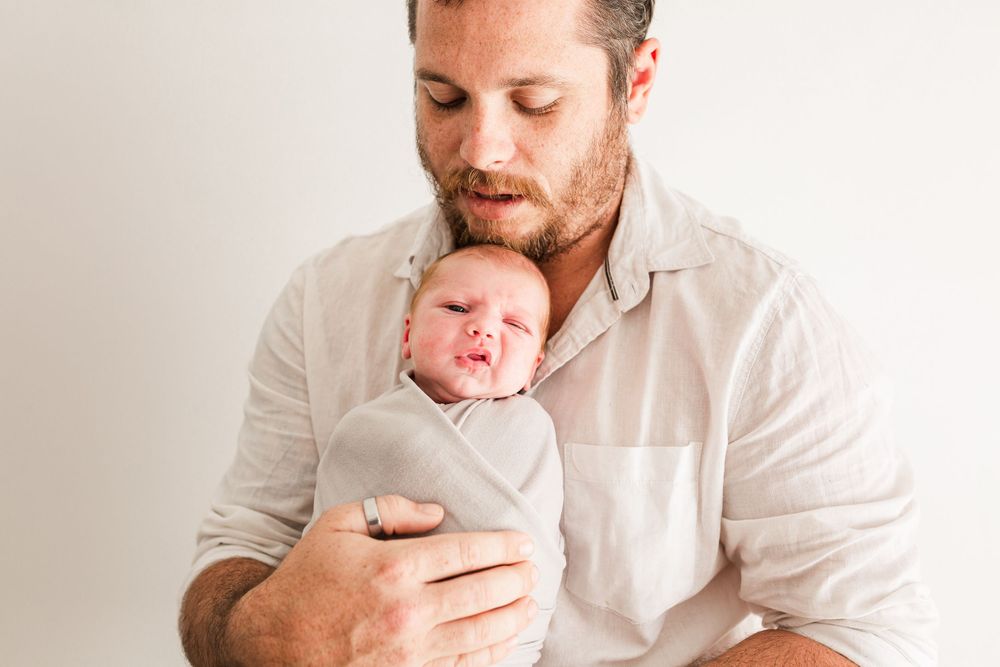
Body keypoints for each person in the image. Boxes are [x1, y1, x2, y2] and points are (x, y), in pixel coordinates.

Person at [180, 1, 938, 665]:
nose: (482, 149)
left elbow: (868, 629)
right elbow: (238, 550)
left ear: (634, 81)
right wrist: (262, 635)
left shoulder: (760, 324)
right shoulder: (327, 300)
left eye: (534, 102)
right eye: (443, 97)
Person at [308, 244, 564, 666]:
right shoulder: (363, 429)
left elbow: (535, 554)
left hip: (498, 646)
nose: (482, 328)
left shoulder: (531, 428)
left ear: (533, 366)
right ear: (407, 335)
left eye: (514, 324)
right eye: (457, 308)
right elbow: (321, 558)